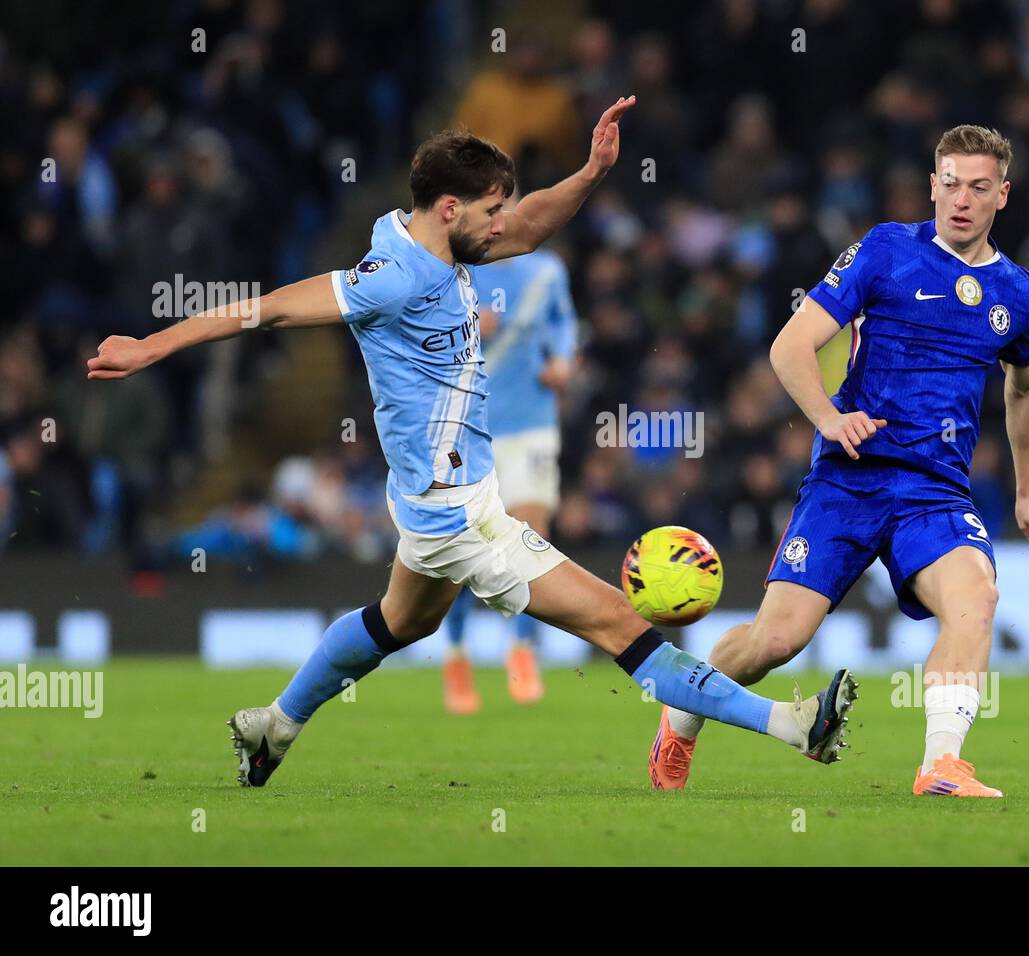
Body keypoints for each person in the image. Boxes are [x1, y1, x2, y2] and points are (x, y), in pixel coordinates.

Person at [87, 98, 858, 787]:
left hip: (436, 498)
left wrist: (591, 172)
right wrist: (151, 346)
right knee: (620, 625)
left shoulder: (442, 238)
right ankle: (794, 727)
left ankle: (274, 727)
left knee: (400, 623)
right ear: (450, 207)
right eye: (491, 210)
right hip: (460, 515)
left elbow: (530, 225)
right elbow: (271, 309)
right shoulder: (389, 275)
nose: (502, 224)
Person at [648, 125, 1029, 798]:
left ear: (1003, 195)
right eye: (951, 184)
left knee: (978, 597)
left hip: (934, 491)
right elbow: (790, 347)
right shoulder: (885, 251)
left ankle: (941, 764)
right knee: (774, 642)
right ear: (933, 186)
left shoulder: (1017, 293)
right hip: (848, 479)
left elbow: (1027, 386)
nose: (962, 200)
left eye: (979, 187)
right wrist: (827, 418)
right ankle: (679, 718)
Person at [439, 208, 577, 713]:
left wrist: (562, 360)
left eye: (504, 206)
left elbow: (564, 322)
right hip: (469, 424)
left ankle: (521, 651)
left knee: (530, 535)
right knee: (463, 543)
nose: (497, 219)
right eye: (489, 208)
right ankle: (457, 655)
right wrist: (467, 324)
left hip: (532, 421)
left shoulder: (546, 270)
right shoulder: (454, 270)